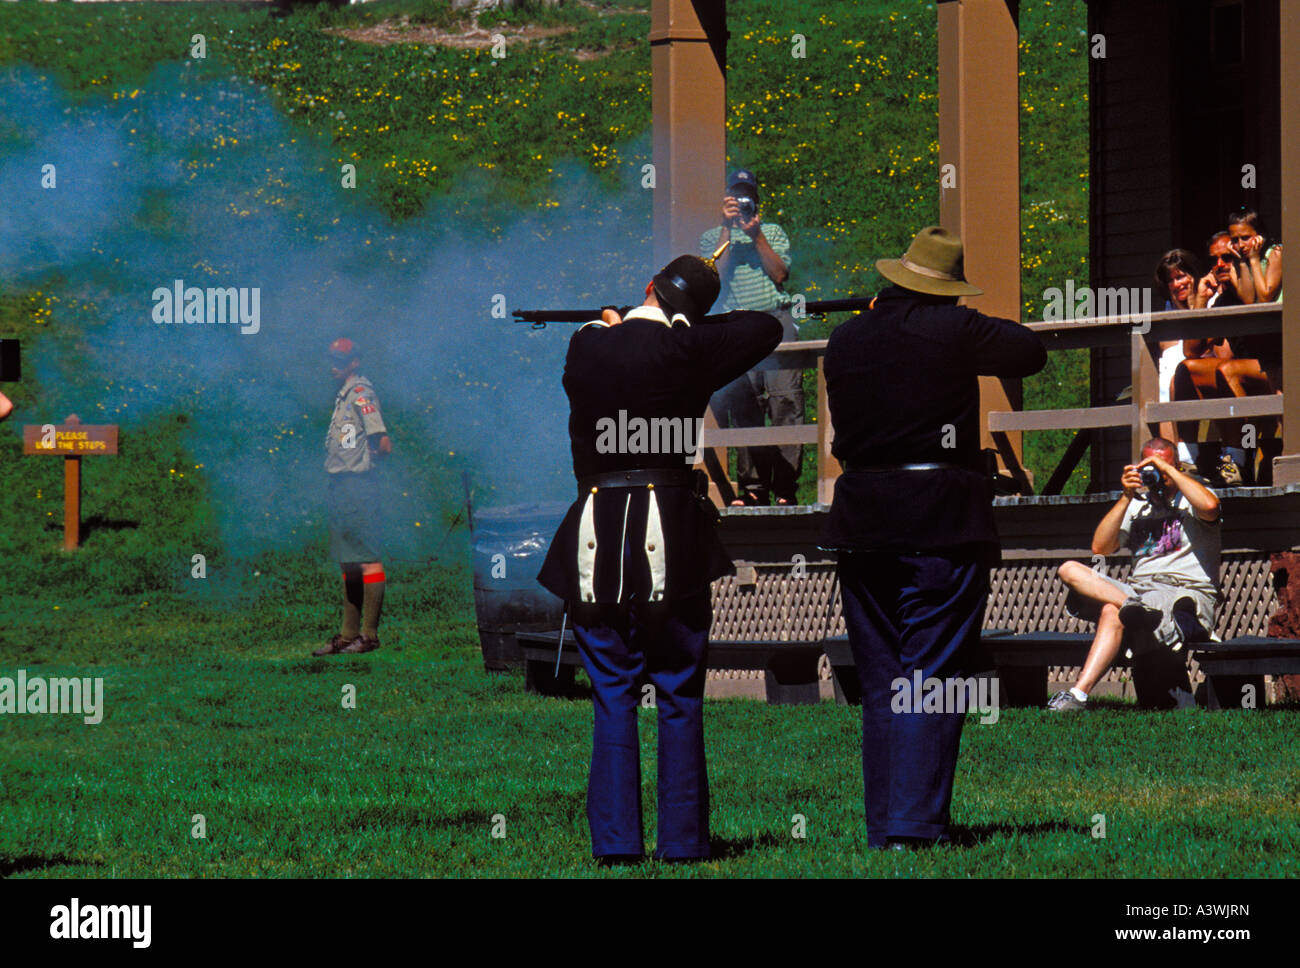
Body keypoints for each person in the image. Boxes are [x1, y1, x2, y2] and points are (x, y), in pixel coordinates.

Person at [537, 255, 781, 863]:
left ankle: (617, 843)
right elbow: (765, 327)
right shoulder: (691, 348)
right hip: (671, 523)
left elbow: (602, 343)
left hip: (596, 522)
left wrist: (621, 325)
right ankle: (683, 841)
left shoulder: (587, 346)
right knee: (677, 688)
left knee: (612, 690)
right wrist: (685, 328)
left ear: (647, 288)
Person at [823, 226, 1046, 849]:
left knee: (882, 674)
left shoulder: (846, 339)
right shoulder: (954, 329)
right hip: (939, 515)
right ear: (945, 290)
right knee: (932, 671)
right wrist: (960, 319)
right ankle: (915, 826)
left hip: (864, 515)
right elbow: (1028, 351)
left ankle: (886, 823)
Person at [1049, 437, 1221, 712]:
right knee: (1068, 568)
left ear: (1177, 466)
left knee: (1110, 611)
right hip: (1137, 591)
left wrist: (1171, 473)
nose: (1157, 475)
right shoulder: (1137, 504)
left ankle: (1077, 695)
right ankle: (1131, 607)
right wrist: (1126, 495)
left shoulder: (1193, 495)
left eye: (1164, 466)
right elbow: (1101, 547)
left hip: (1183, 591)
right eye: (1150, 467)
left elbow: (1211, 508)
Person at [700, 169, 803, 506]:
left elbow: (780, 273)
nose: (742, 204)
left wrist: (757, 235)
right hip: (737, 325)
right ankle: (753, 487)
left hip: (776, 319)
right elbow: (714, 275)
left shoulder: (771, 231)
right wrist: (727, 229)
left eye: (748, 198)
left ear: (756, 201)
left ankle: (786, 488)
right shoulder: (713, 236)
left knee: (786, 400)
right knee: (744, 405)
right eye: (736, 197)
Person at [313, 337, 393, 657]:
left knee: (367, 559)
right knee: (348, 560)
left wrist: (367, 464)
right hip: (340, 485)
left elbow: (383, 443)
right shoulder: (343, 395)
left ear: (354, 362)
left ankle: (369, 635)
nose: (333, 365)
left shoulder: (361, 393)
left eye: (339, 360)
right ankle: (348, 635)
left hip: (358, 485)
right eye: (330, 359)